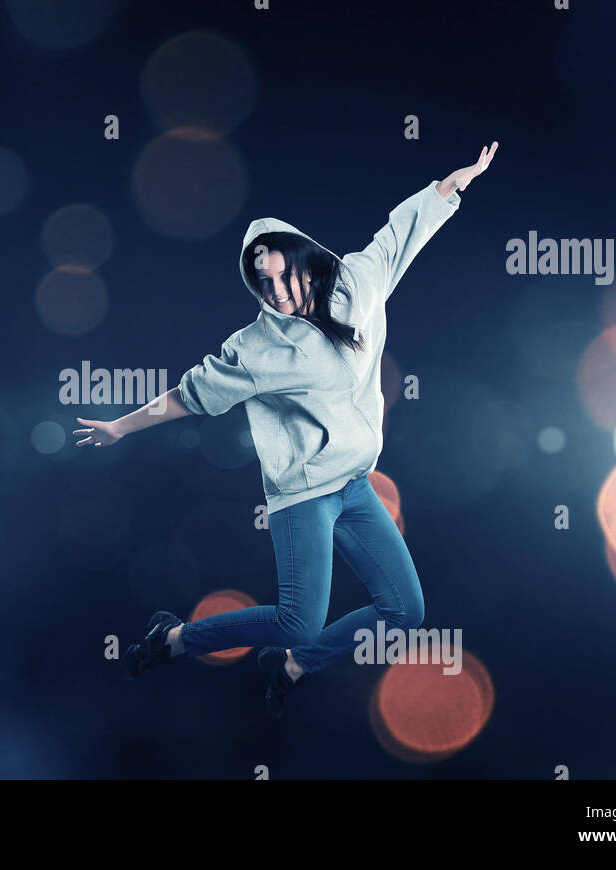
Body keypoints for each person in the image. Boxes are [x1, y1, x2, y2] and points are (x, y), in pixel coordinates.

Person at [75, 143, 497, 717]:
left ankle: (294, 664)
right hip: (304, 495)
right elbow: (191, 393)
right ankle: (172, 640)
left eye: (282, 275)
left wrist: (453, 185)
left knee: (405, 610)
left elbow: (400, 237)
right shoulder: (257, 348)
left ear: (305, 264)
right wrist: (121, 427)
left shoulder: (356, 287)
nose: (275, 290)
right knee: (300, 619)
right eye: (261, 281)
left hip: (353, 483)